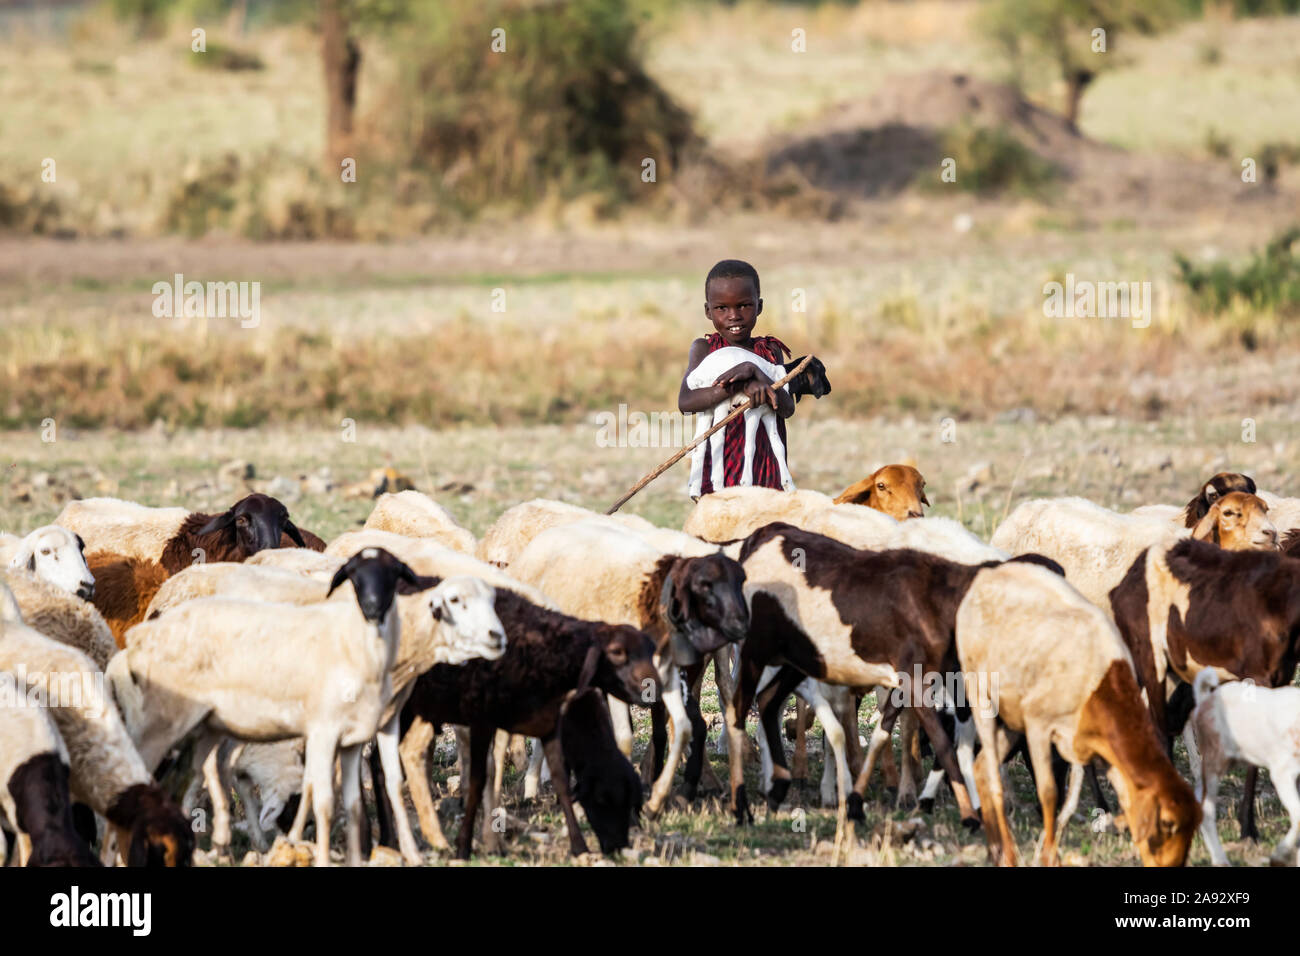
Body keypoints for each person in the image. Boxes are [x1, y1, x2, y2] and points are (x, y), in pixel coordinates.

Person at [677, 259, 795, 496]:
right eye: (722, 308)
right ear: (708, 311)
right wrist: (740, 385)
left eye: (744, 306)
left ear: (759, 306)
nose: (734, 316)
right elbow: (686, 403)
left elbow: (787, 408)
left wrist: (756, 372)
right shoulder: (704, 349)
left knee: (765, 526)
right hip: (719, 466)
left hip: (765, 464)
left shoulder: (770, 351)